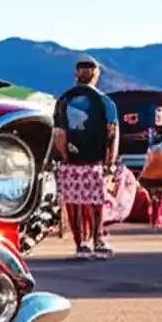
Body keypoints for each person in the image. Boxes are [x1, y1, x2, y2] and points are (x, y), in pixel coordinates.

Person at [51, 54, 119, 259]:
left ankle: (81, 244)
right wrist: (111, 162)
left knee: (75, 203)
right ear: (96, 75)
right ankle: (98, 240)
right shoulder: (104, 101)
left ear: (76, 75)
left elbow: (59, 134)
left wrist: (63, 157)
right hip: (95, 161)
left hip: (71, 161)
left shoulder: (63, 100)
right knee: (96, 202)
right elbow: (112, 133)